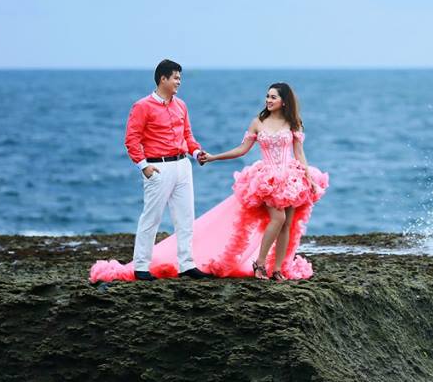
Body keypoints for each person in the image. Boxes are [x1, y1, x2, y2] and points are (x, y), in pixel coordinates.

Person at [201, 82, 328, 281]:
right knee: (278, 219)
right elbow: (242, 149)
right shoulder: (258, 122)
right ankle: (259, 263)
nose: (268, 100)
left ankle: (277, 268)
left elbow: (299, 153)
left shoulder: (294, 122)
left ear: (284, 102)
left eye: (273, 97)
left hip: (291, 177)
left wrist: (308, 178)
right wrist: (214, 157)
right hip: (268, 178)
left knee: (287, 224)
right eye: (267, 96)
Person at [123, 59, 211, 280]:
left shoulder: (181, 105)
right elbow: (132, 139)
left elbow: (188, 135)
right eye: (176, 78)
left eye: (180, 78)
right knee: (151, 218)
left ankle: (186, 265)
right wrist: (144, 167)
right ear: (163, 79)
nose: (179, 82)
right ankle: (141, 266)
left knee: (186, 217)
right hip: (158, 168)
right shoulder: (142, 106)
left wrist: (196, 152)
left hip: (183, 165)